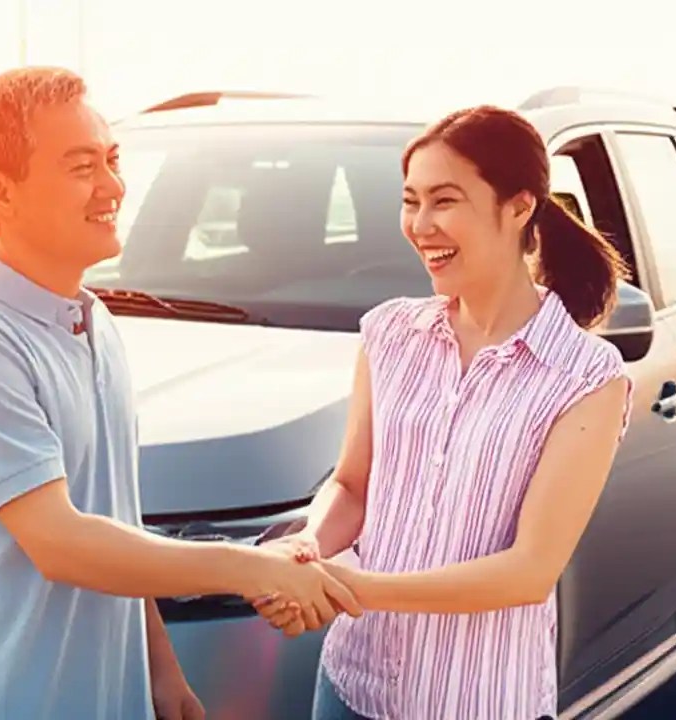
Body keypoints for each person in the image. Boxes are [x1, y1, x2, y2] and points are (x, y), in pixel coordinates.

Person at [0, 66, 362, 720]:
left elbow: (111, 518)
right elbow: (61, 542)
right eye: (82, 166)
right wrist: (252, 569)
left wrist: (160, 671)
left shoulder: (93, 321)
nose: (113, 186)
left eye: (112, 160)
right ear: (0, 190)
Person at [254, 105, 634, 720]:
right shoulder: (390, 333)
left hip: (477, 701)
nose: (420, 225)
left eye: (445, 200)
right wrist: (306, 551)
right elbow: (352, 487)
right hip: (352, 690)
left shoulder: (586, 376)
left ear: (519, 207)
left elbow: (528, 571)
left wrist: (350, 589)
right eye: (411, 201)